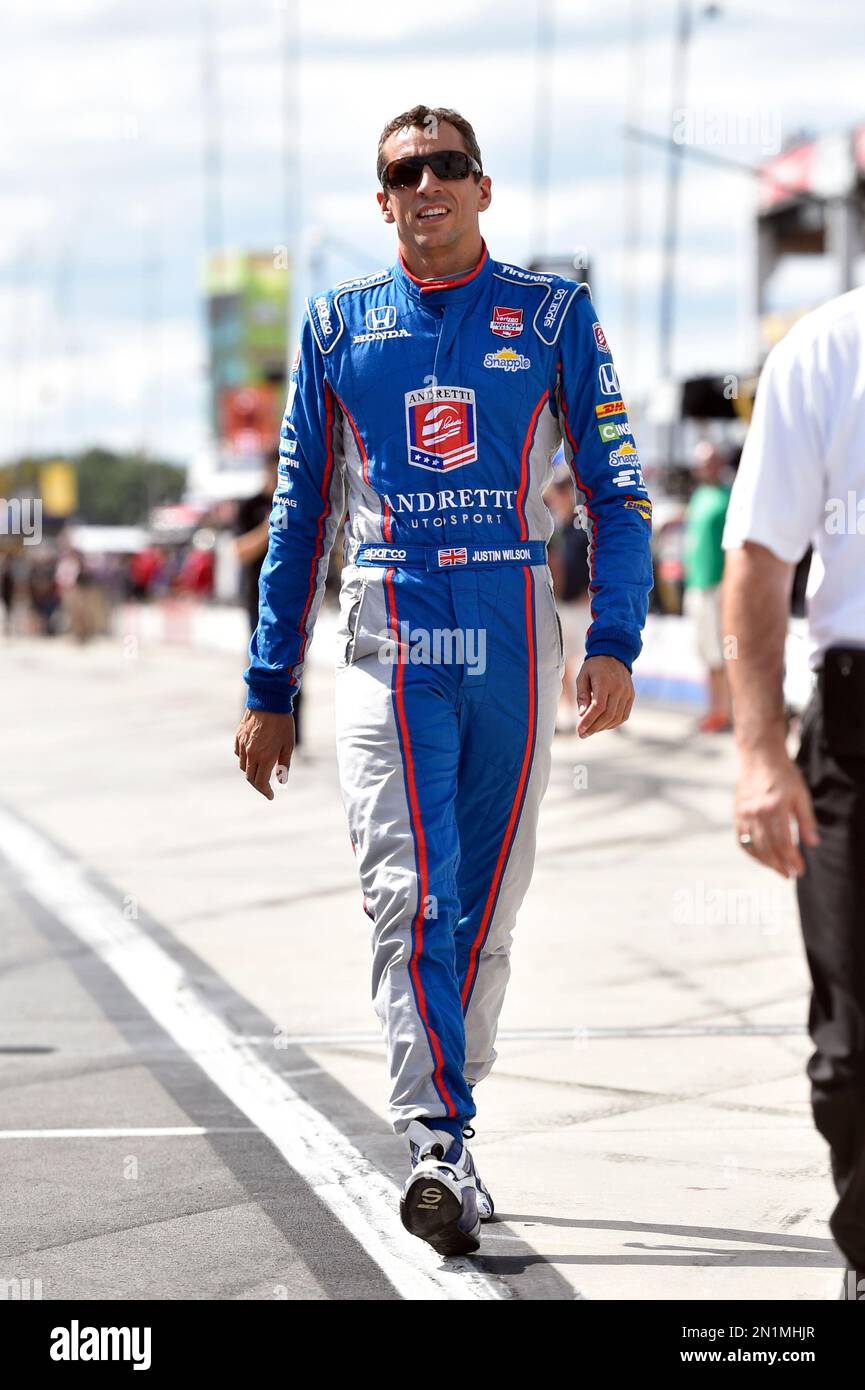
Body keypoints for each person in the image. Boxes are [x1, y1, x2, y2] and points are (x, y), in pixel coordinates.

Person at [234, 104, 653, 1256]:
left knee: (489, 909)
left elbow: (619, 496)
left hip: (513, 619)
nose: (424, 183)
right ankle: (436, 1139)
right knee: (409, 889)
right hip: (388, 622)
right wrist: (271, 684)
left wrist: (614, 638)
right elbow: (297, 514)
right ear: (381, 201)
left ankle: (447, 1137)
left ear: (481, 186)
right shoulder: (337, 324)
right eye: (401, 171)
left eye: (444, 166)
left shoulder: (554, 315)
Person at [722, 287, 865, 1299]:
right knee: (852, 1047)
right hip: (856, 731)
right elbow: (759, 562)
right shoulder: (825, 350)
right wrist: (760, 754)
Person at [234, 458, 303, 748]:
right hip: (260, 602)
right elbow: (240, 551)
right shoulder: (250, 505)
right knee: (261, 667)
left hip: (296, 599)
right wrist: (270, 525)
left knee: (297, 671)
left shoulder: (300, 501)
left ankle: (294, 739)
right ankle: (254, 730)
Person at [683, 440, 732, 733]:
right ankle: (714, 710)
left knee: (721, 655)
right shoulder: (700, 495)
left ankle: (724, 712)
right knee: (706, 653)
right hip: (697, 585)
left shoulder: (728, 497)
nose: (702, 467)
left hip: (717, 587)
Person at [547, 468, 592, 733]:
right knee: (562, 662)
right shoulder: (554, 526)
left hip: (580, 604)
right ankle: (567, 709)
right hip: (560, 604)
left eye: (566, 489)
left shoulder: (581, 526)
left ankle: (588, 709)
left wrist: (590, 593)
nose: (563, 495)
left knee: (584, 659)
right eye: (559, 489)